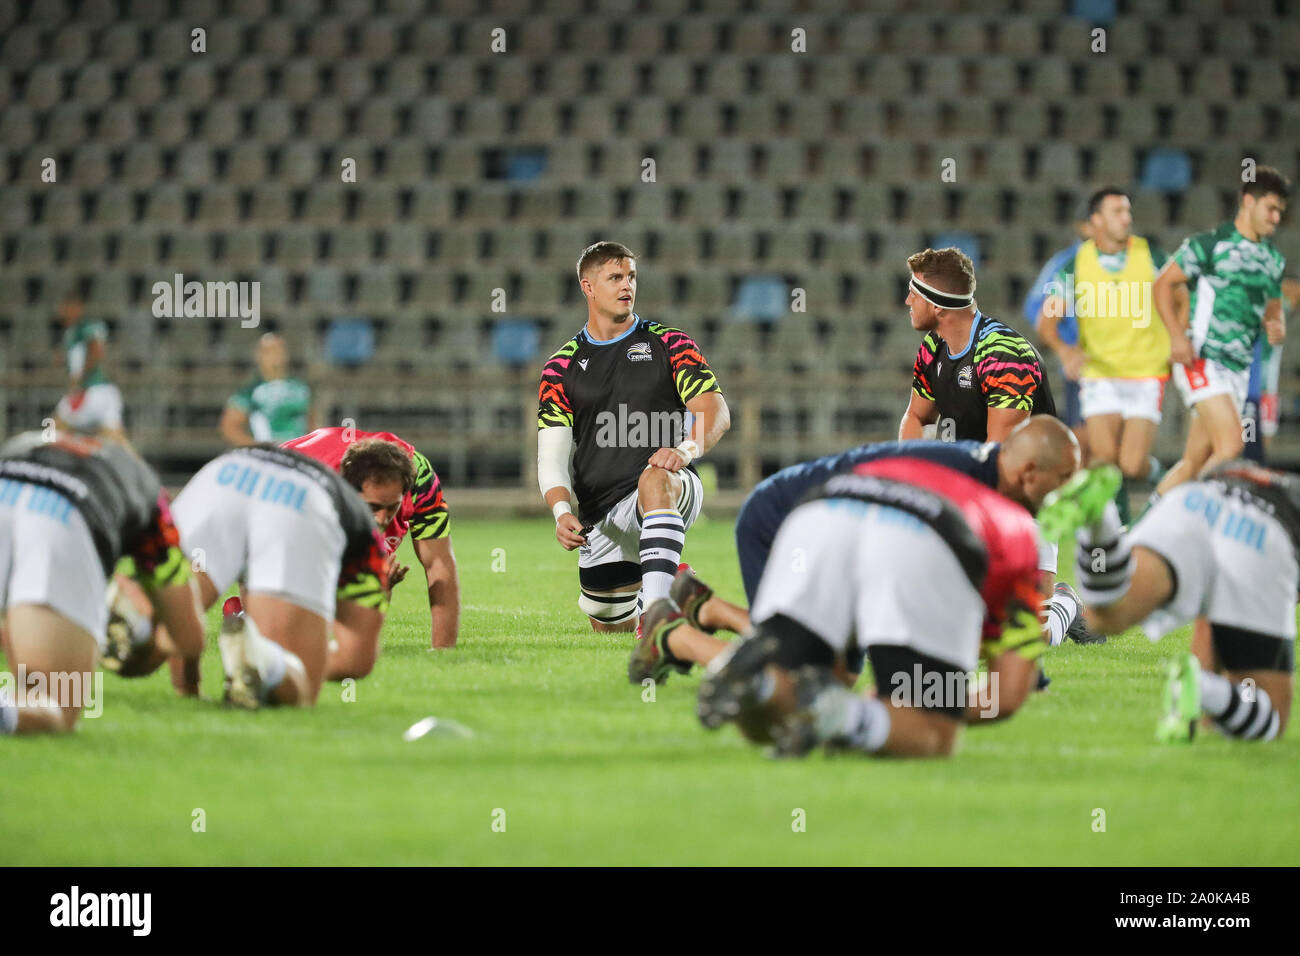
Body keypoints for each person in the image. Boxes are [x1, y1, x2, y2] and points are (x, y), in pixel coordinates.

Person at [630, 417, 1088, 689]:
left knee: (840, 676)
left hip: (839, 536)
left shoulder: (990, 486)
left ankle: (705, 606)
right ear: (1029, 473)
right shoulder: (963, 492)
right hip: (784, 519)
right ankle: (671, 633)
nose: (1067, 493)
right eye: (1064, 479)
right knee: (795, 680)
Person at [693, 457, 1048, 759]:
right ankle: (842, 716)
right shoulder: (1019, 532)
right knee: (934, 733)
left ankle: (758, 681)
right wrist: (914, 709)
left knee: (769, 723)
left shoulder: (945, 464)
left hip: (823, 508)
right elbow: (1006, 696)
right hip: (922, 533)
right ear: (1028, 474)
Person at [537, 241, 730, 632]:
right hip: (600, 518)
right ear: (588, 287)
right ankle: (678, 587)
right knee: (609, 628)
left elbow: (715, 411)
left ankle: (658, 611)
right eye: (614, 278)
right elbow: (551, 457)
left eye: (631, 277)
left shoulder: (669, 343)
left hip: (669, 487)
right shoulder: (561, 367)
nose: (627, 286)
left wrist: (685, 449)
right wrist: (561, 512)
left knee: (654, 478)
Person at [1041, 460, 1297, 743]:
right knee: (1273, 716)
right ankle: (1203, 688)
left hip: (1194, 500)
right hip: (1263, 532)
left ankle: (1102, 521)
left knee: (1104, 617)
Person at [0, 431, 204, 735]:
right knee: (51, 704)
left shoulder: (28, 442)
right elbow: (189, 637)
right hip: (59, 519)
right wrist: (152, 636)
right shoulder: (148, 491)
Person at [168, 444, 391, 707]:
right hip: (299, 506)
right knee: (310, 683)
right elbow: (356, 654)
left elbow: (185, 611)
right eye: (376, 507)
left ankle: (137, 624)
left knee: (167, 621)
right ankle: (265, 659)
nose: (384, 518)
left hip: (225, 473)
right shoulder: (362, 533)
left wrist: (189, 691)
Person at [1036, 187, 1172, 523]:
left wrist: (1177, 337)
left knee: (1131, 465)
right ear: (1096, 220)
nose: (1126, 218)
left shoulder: (1151, 256)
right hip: (1099, 373)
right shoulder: (1073, 264)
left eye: (1127, 211)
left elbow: (1179, 297)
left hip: (1145, 371)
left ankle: (1164, 480)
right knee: (1103, 458)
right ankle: (1121, 529)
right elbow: (1046, 321)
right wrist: (1066, 351)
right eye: (1116, 212)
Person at [1152, 167, 1289, 497]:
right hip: (1204, 358)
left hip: (1237, 372)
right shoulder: (1209, 245)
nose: (1275, 218)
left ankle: (1142, 531)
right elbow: (1162, 285)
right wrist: (1176, 336)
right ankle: (1188, 519)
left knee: (1193, 463)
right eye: (1270, 208)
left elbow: (1272, 307)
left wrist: (1277, 324)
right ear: (1247, 202)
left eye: (1280, 212)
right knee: (1230, 447)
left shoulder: (1273, 260)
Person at [282, 427, 459, 649]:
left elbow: (439, 564)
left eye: (392, 507)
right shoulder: (308, 488)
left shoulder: (421, 481)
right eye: (373, 507)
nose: (382, 519)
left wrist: (443, 652)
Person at [900, 247, 1056, 444]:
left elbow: (1000, 456)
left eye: (913, 294)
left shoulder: (1002, 354)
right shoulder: (933, 346)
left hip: (1022, 472)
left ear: (937, 306)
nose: (907, 301)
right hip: (967, 467)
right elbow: (917, 417)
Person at [1026, 200, 1092, 459]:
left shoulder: (1125, 262)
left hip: (1120, 360)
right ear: (1083, 227)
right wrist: (1067, 346)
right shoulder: (1067, 264)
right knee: (1084, 438)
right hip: (1085, 361)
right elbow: (1036, 308)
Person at [52, 290, 126, 441]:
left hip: (92, 391)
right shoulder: (71, 333)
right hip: (107, 392)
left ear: (77, 308)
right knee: (117, 440)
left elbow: (98, 350)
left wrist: (80, 376)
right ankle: (138, 465)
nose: (61, 311)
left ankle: (38, 463)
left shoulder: (85, 327)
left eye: (65, 307)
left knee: (55, 427)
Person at [221, 332, 314, 446]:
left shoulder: (301, 389)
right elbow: (230, 427)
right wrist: (257, 447)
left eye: (278, 350)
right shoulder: (248, 393)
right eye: (268, 351)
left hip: (298, 454)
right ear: (258, 356)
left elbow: (313, 423)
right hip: (267, 457)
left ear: (286, 354)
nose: (275, 356)